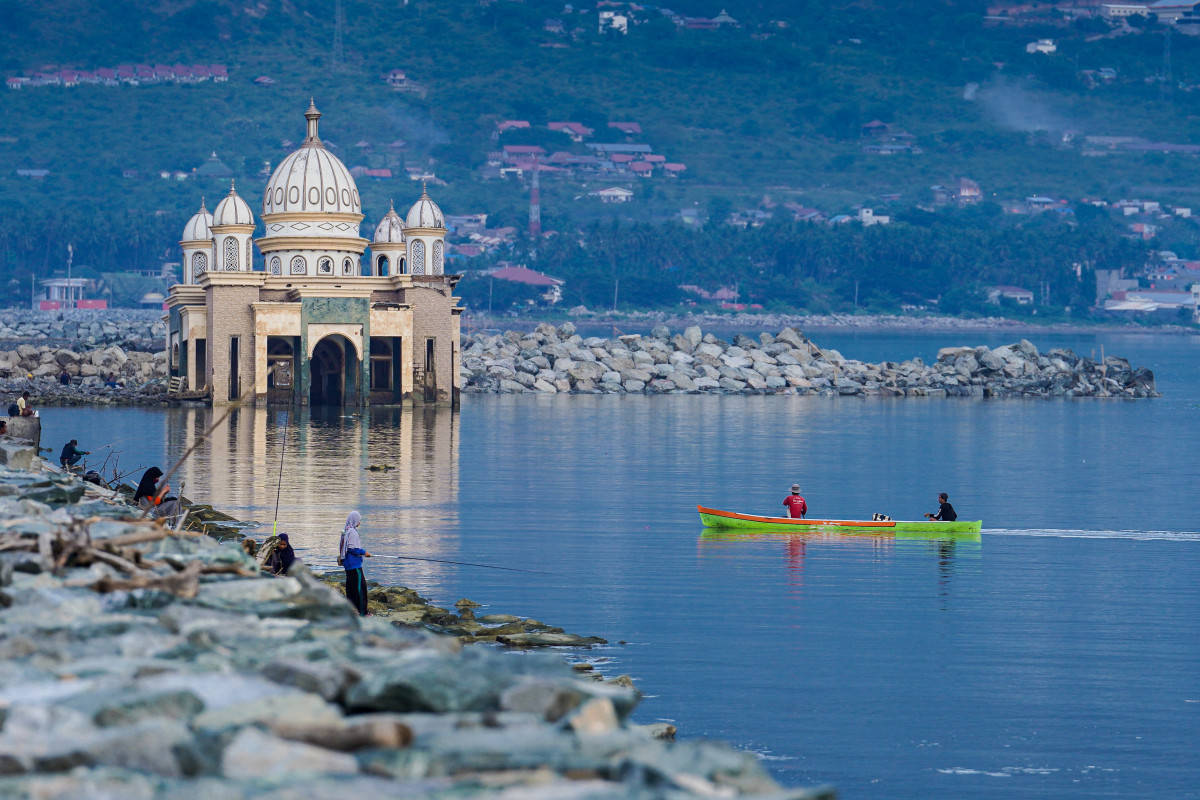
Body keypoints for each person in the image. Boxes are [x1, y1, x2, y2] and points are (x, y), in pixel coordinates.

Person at [338, 511, 372, 616]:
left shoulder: (346, 530)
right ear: (354, 520)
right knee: (360, 589)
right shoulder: (352, 532)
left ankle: (352, 611)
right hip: (354, 565)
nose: (360, 522)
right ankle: (362, 612)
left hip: (348, 565)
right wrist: (364, 553)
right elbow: (352, 549)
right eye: (359, 520)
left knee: (351, 589)